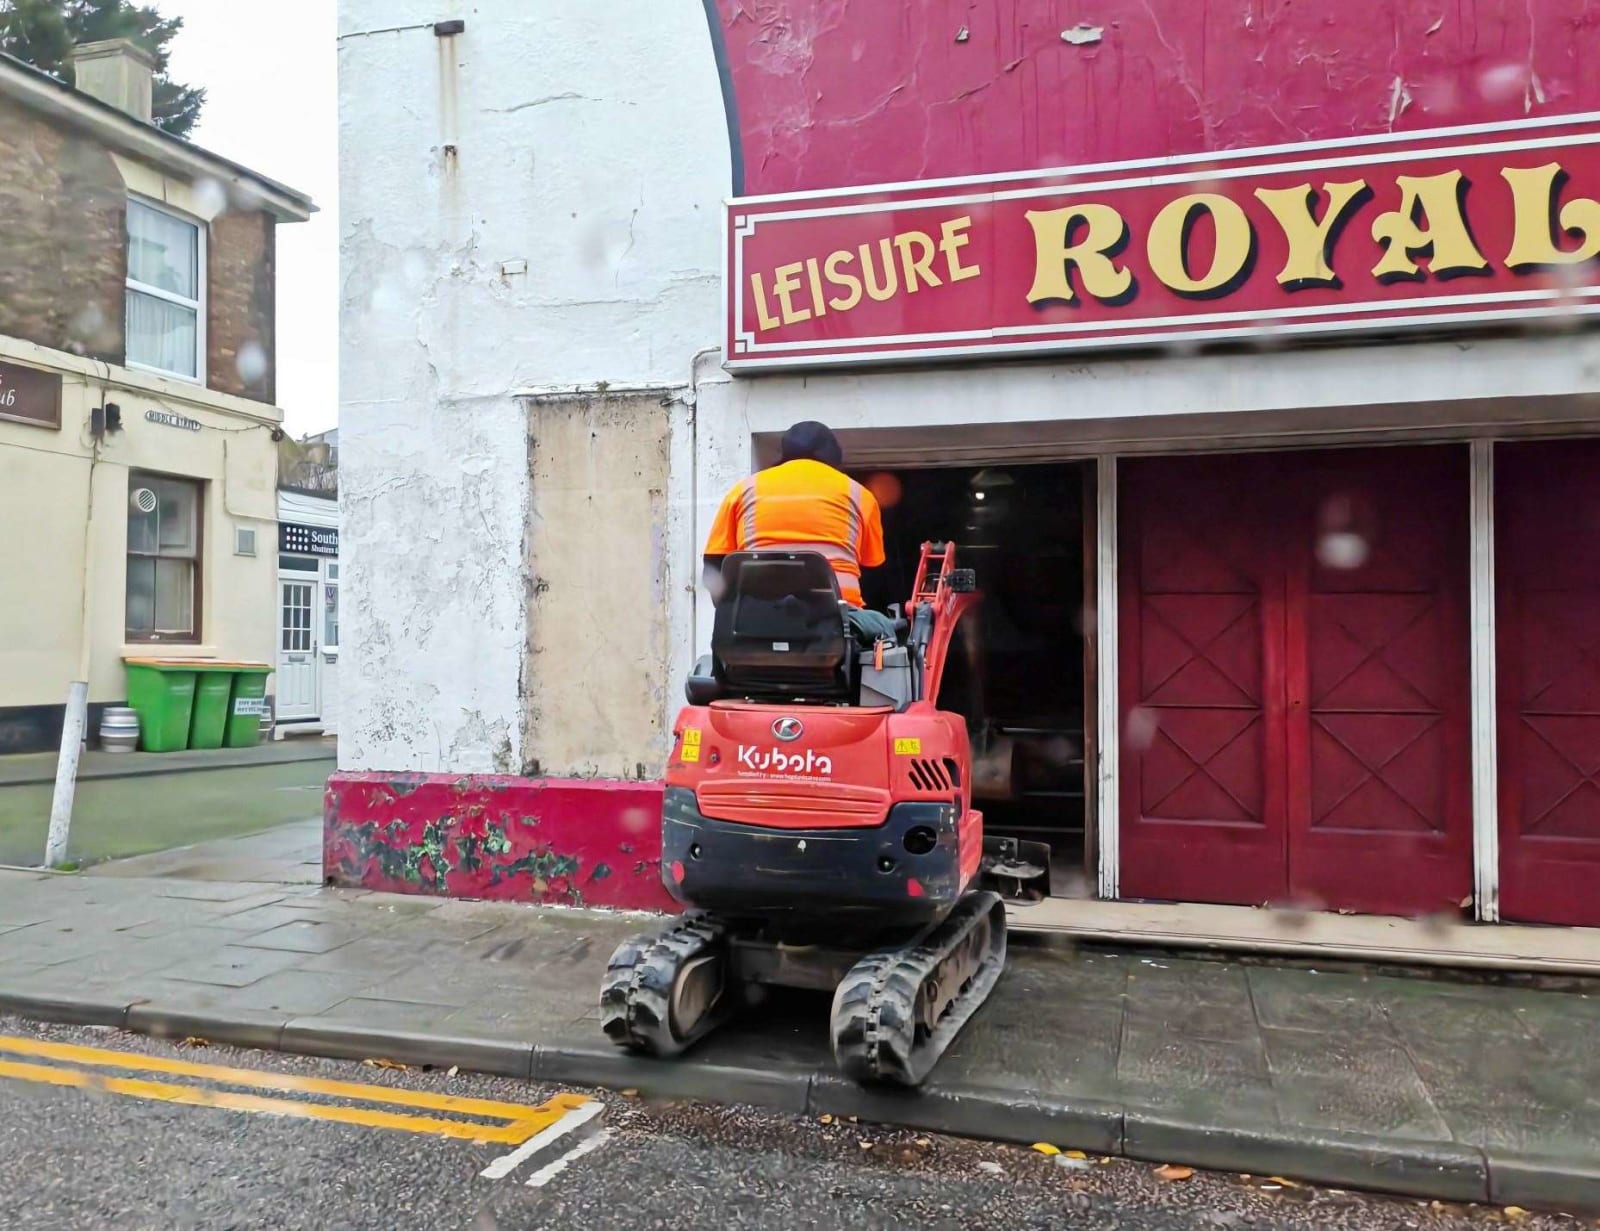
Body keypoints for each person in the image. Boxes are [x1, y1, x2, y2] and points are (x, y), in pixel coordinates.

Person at [704, 421, 899, 644]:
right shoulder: (858, 494)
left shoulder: (743, 491)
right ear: (834, 459)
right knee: (887, 628)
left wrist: (735, 616)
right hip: (835, 625)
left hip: (755, 624)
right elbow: (874, 571)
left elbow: (713, 566)